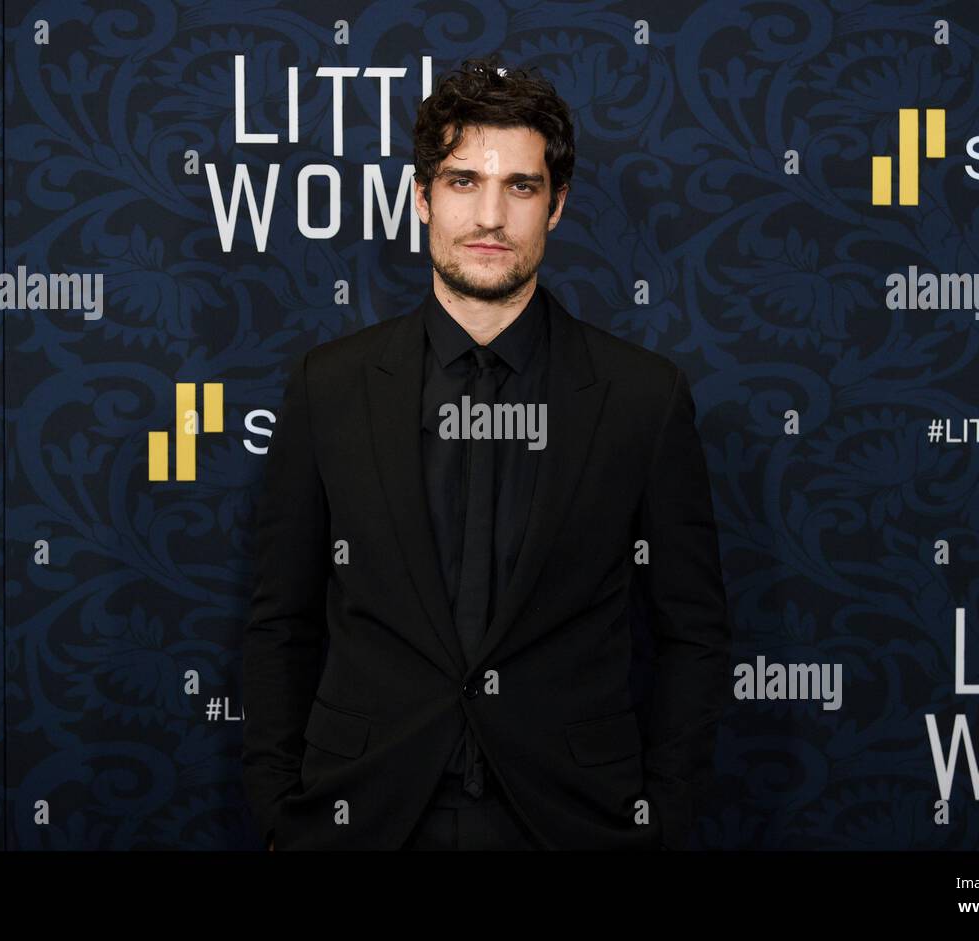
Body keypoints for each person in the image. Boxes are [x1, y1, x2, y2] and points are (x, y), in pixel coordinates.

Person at [242, 57, 731, 850]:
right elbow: (280, 623)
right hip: (360, 815)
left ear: (558, 205)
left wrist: (661, 815)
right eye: (465, 181)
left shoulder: (643, 397)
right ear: (421, 199)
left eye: (522, 186)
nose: (491, 216)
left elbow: (694, 634)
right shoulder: (328, 386)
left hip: (572, 821)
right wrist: (279, 811)